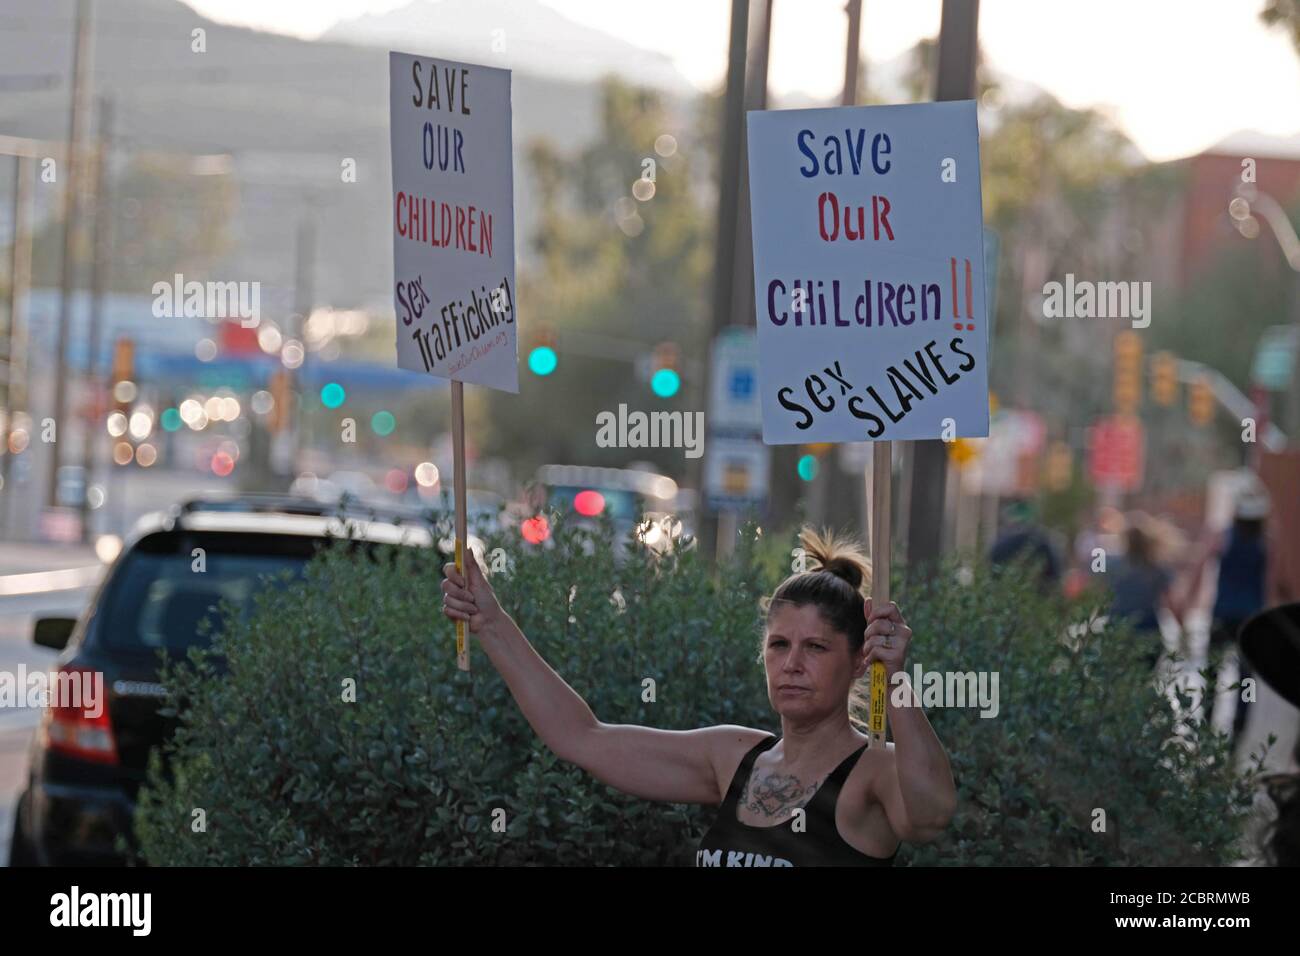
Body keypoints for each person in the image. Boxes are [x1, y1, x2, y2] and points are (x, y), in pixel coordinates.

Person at [440, 526, 958, 867]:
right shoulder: (735, 757)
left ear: (858, 659)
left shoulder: (873, 771)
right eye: (778, 644)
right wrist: (491, 623)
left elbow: (930, 816)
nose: (792, 663)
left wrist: (895, 681)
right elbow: (580, 736)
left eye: (816, 647)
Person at [1106, 515, 1182, 670]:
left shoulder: (1113, 565)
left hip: (1117, 628)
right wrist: (1183, 627)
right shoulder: (1157, 568)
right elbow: (1171, 602)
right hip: (1148, 630)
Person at [989, 498, 1061, 592]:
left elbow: (992, 566)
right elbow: (1055, 573)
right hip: (1037, 595)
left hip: (1006, 594)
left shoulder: (1002, 541)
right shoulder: (1042, 541)